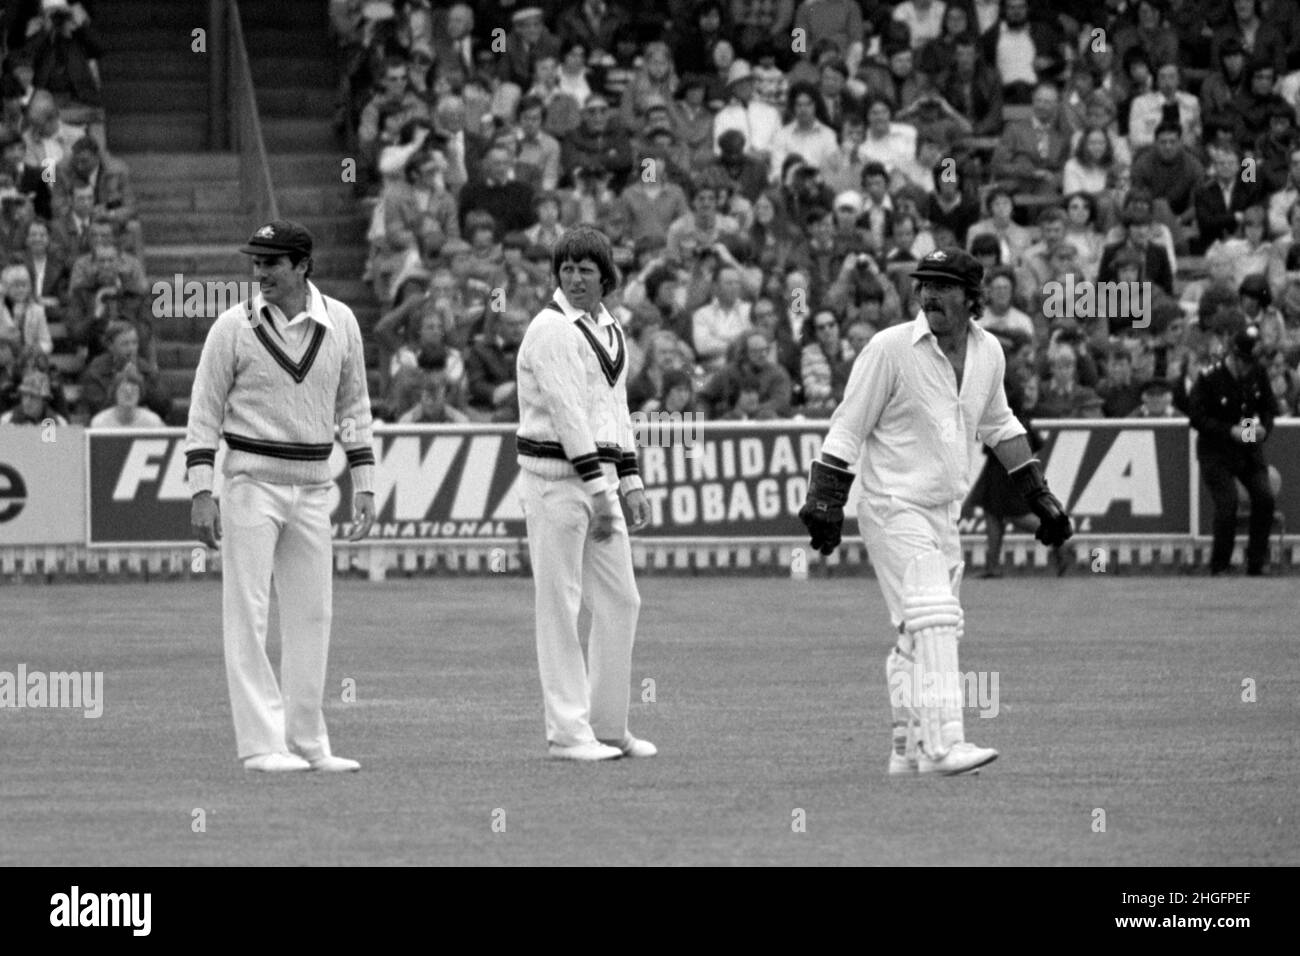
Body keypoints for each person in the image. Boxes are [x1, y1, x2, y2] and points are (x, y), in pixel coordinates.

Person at [798, 247, 1074, 776]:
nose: (929, 294)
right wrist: (827, 496)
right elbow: (848, 425)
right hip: (892, 505)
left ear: (972, 298)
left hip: (943, 512)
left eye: (943, 286)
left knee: (917, 631)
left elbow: (999, 425)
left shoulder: (989, 351)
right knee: (934, 613)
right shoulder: (889, 348)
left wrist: (1041, 497)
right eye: (924, 284)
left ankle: (905, 748)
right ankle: (946, 742)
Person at [185, 220, 377, 773]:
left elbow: (354, 407)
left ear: (301, 265)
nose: (260, 273)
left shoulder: (340, 322)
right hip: (250, 486)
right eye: (256, 263)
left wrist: (362, 483)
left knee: (312, 617)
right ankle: (261, 746)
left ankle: (308, 741)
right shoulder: (232, 327)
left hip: (315, 489)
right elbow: (204, 412)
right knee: (248, 615)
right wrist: (203, 489)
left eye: (271, 263)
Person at [514, 225, 654, 761]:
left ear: (606, 278)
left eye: (585, 270)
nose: (574, 279)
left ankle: (608, 725)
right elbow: (570, 416)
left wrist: (631, 481)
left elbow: (613, 410)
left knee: (622, 599)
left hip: (597, 484)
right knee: (560, 604)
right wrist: (602, 491)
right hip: (554, 484)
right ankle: (568, 733)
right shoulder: (550, 330)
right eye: (566, 269)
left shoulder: (609, 328)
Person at [1187, 324, 1278, 576]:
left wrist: (1262, 430)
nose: (1248, 368)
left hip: (1247, 449)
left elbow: (1268, 409)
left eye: (1252, 362)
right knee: (1227, 503)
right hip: (1215, 451)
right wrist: (1229, 430)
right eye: (1244, 362)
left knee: (1265, 497)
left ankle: (1256, 563)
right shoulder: (1209, 378)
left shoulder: (1258, 374)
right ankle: (1220, 565)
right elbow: (1196, 416)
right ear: (1234, 357)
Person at [88, 363, 164, 428]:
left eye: (134, 390)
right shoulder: (99, 423)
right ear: (114, 393)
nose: (129, 393)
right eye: (123, 390)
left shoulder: (153, 422)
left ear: (140, 394)